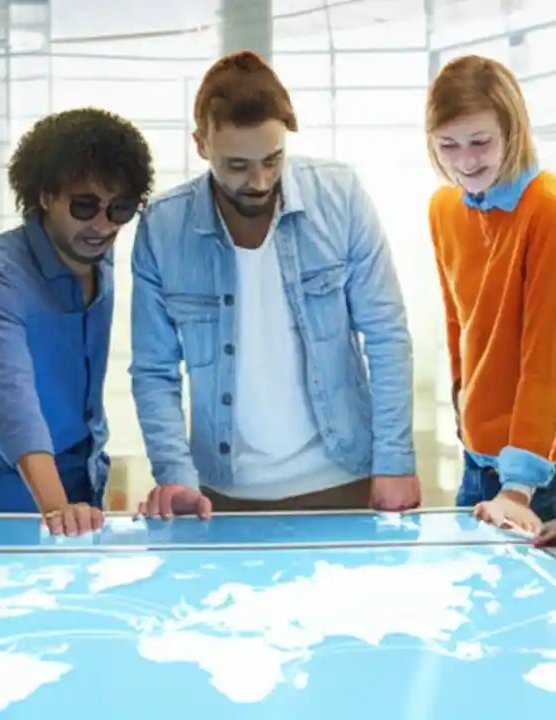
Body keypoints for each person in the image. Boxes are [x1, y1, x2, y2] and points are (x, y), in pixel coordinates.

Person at [131, 51, 419, 516]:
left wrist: (396, 461)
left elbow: (386, 336)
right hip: (219, 493)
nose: (260, 180)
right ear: (201, 145)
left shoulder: (340, 196)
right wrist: (175, 479)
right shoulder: (163, 228)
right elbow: (154, 371)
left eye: (273, 159)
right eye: (237, 165)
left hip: (347, 476)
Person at [425, 55, 556, 542]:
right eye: (448, 145)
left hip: (547, 468)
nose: (464, 162)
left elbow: (548, 357)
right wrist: (464, 412)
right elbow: (459, 324)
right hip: (480, 455)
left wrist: (518, 488)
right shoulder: (444, 208)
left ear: (514, 131)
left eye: (481, 142)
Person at [0, 108, 153, 535]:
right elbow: (9, 396)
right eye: (85, 205)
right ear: (45, 195)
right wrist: (57, 509)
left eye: (119, 210)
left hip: (87, 479)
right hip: (14, 493)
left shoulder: (100, 254)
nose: (102, 225)